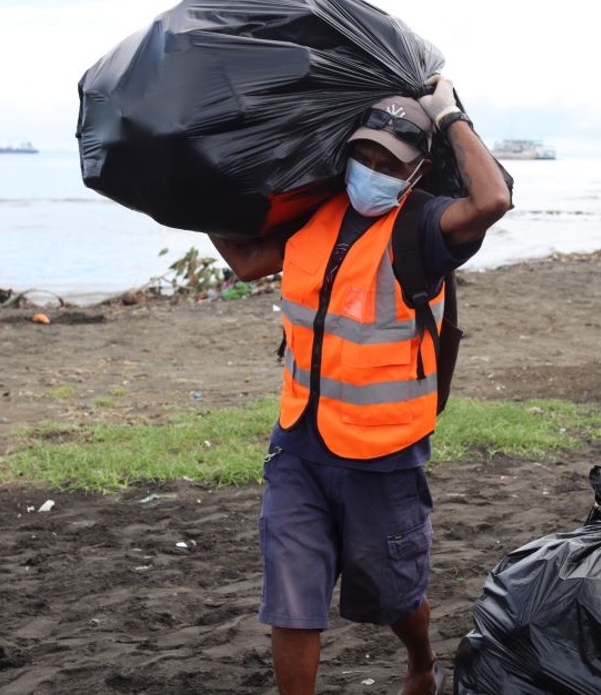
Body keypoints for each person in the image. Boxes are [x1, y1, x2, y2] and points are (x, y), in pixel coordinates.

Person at [208, 76, 511, 695]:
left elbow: (491, 201)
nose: (371, 171)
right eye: (364, 156)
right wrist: (185, 194)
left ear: (415, 170)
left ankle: (421, 662)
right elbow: (246, 261)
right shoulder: (316, 215)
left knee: (392, 593)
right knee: (292, 592)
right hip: (299, 442)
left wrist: (449, 114)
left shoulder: (422, 228)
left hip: (384, 454)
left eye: (388, 164)